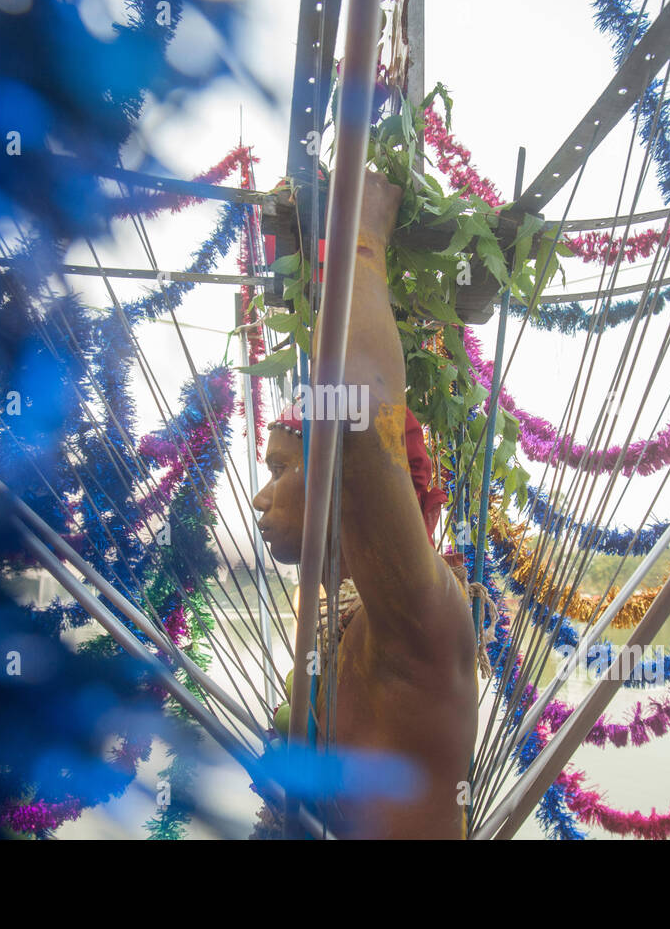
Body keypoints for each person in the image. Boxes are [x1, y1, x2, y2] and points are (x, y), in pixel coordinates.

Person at [251, 169, 479, 839]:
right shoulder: (340, 624)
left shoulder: (422, 624)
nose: (261, 499)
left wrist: (363, 235)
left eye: (282, 470)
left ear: (351, 482)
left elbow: (357, 408)